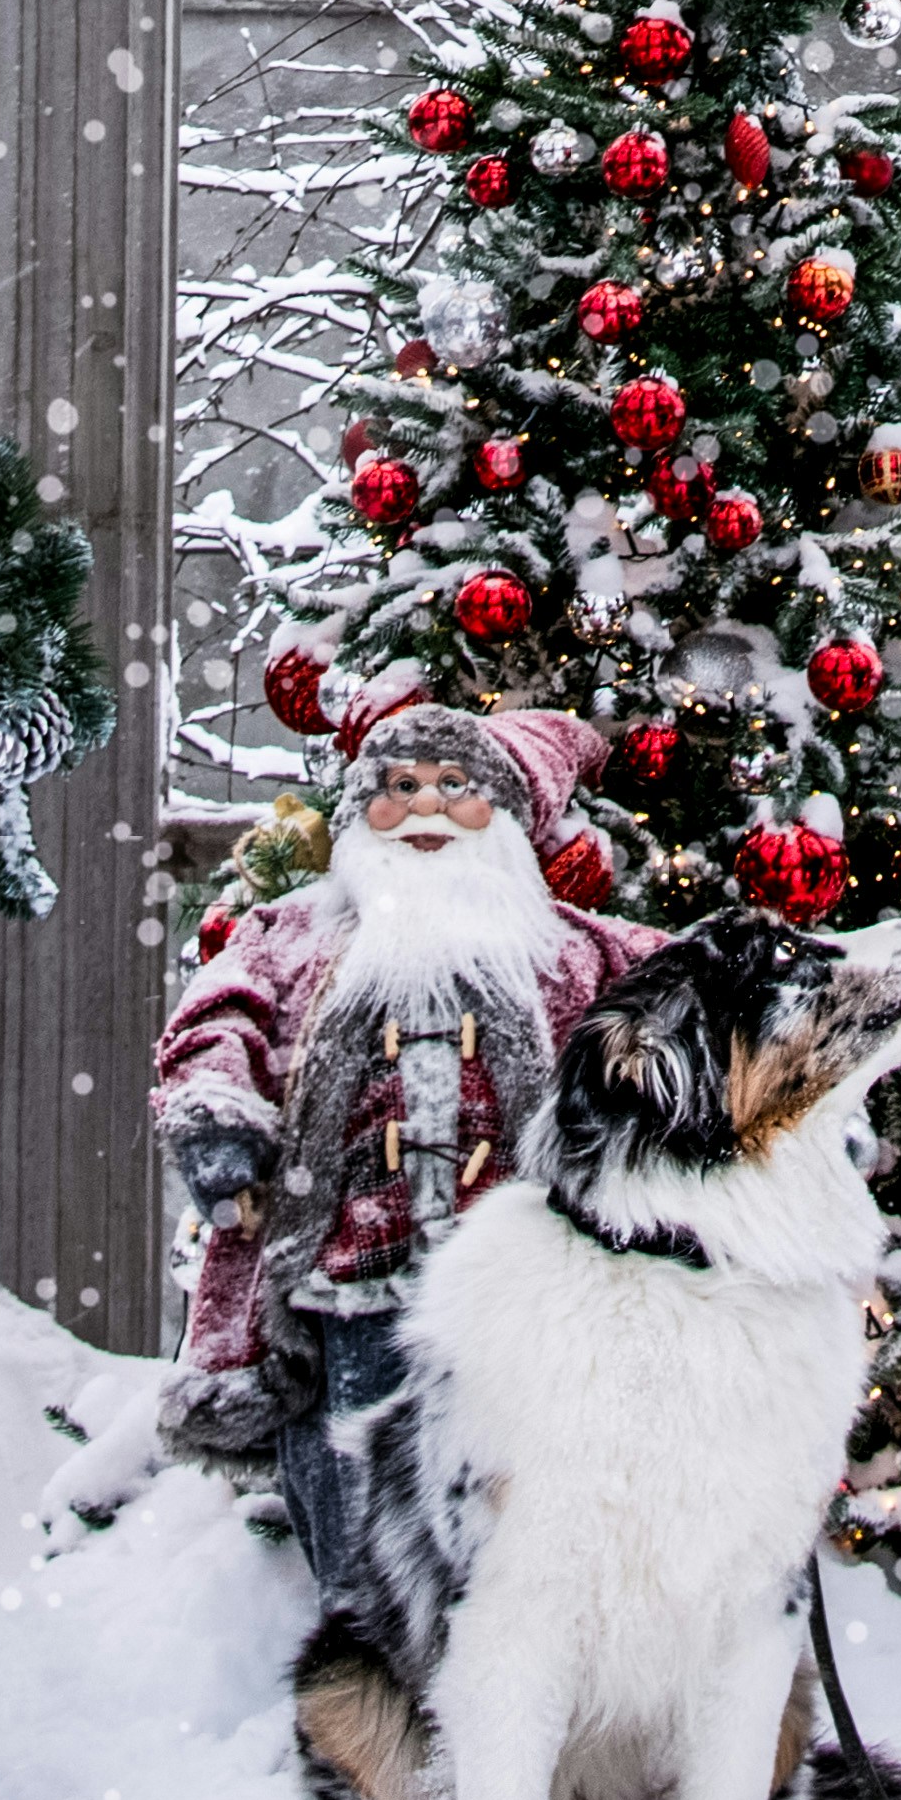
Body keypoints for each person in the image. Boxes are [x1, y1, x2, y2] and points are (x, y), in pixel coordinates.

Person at [150, 688, 650, 1622]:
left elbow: (704, 1002)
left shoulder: (570, 951)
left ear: (503, 816)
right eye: (399, 785)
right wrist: (222, 1129)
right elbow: (214, 1025)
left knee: (525, 1488)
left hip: (526, 1292)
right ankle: (376, 1677)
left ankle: (510, 1668)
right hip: (351, 1280)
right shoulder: (291, 936)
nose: (424, 806)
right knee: (358, 1476)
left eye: (456, 785)